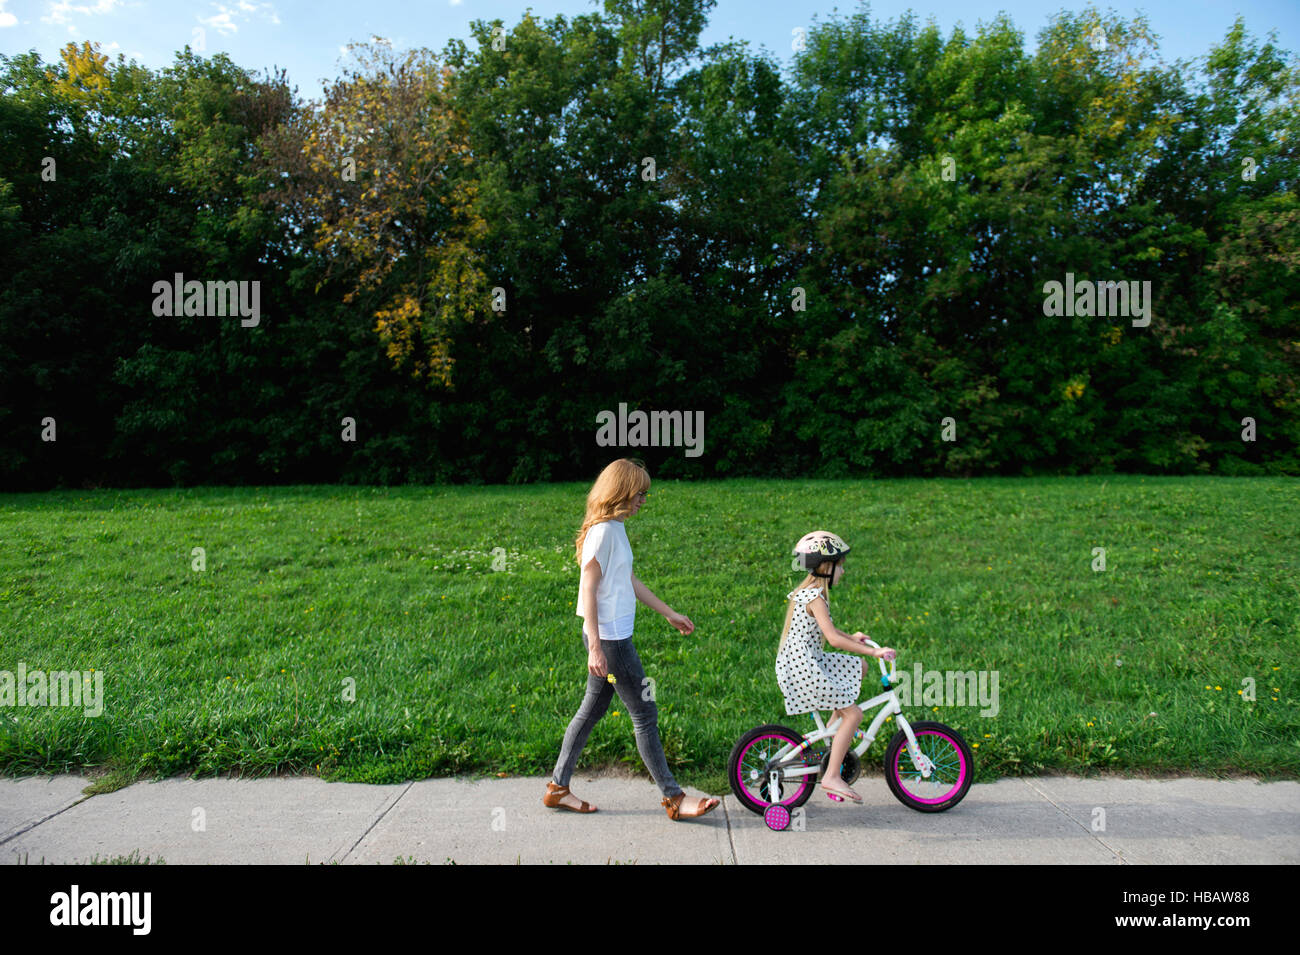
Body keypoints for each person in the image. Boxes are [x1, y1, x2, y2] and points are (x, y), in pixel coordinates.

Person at [544, 458, 719, 820]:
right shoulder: (604, 532)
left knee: (591, 711)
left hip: (610, 639)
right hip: (611, 642)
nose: (643, 500)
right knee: (644, 712)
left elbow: (627, 580)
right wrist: (595, 646)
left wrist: (667, 611)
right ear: (622, 492)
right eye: (640, 493)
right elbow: (588, 591)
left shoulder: (615, 528)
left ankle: (558, 788)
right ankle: (674, 798)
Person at [776, 530, 896, 803]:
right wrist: (875, 650)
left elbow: (830, 631)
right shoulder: (815, 596)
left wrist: (852, 638)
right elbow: (831, 639)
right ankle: (831, 776)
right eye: (840, 565)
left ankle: (831, 738)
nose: (843, 571)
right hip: (804, 669)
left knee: (860, 668)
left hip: (807, 662)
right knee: (854, 715)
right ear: (826, 566)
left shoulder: (811, 592)